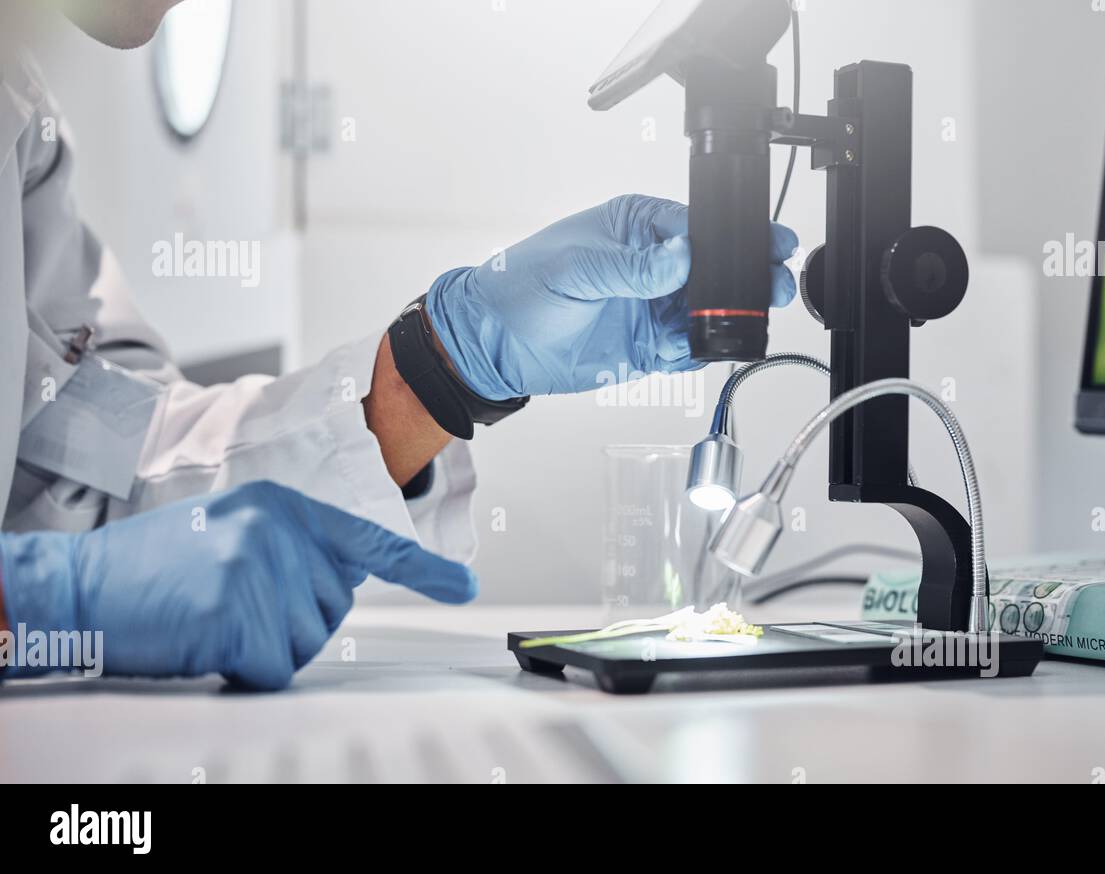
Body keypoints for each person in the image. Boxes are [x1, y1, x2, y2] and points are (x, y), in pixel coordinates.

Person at [0, 0, 797, 689]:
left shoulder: (18, 109)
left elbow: (101, 477)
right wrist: (44, 602)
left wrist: (443, 366)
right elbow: (88, 572)